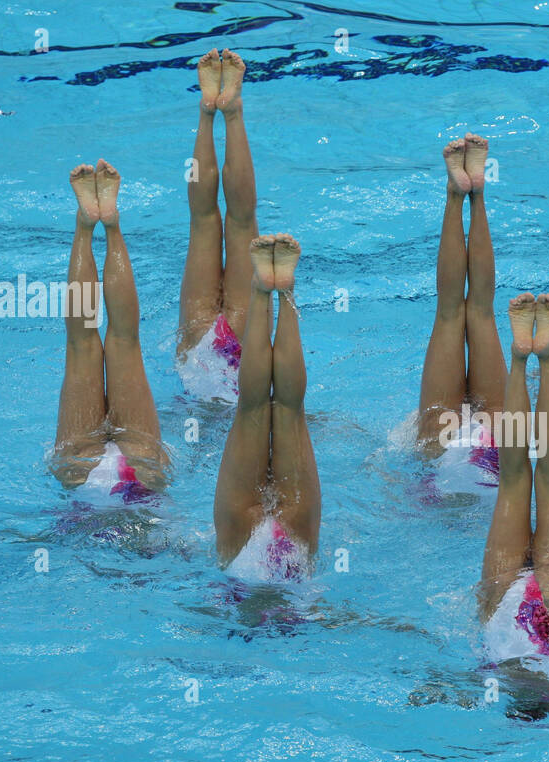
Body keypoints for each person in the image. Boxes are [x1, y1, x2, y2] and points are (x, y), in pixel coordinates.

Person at [479, 294, 549, 658]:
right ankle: (520, 356)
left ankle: (544, 357)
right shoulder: (494, 675)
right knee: (516, 480)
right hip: (502, 614)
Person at [53, 160, 168, 501]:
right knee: (116, 342)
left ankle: (87, 225)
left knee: (87, 343)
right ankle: (109, 226)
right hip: (137, 478)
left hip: (86, 473)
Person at [213, 235, 321, 581]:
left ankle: (279, 289)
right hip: (243, 552)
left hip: (284, 552)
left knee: (275, 410)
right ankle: (269, 290)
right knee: (260, 410)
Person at [416, 133, 507, 490]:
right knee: (468, 311)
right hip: (464, 450)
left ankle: (465, 194)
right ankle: (469, 195)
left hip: (489, 443)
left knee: (467, 311)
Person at [178, 49, 259, 400]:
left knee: (218, 221)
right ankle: (219, 111)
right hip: (206, 354)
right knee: (211, 221)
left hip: (232, 355)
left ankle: (219, 111)